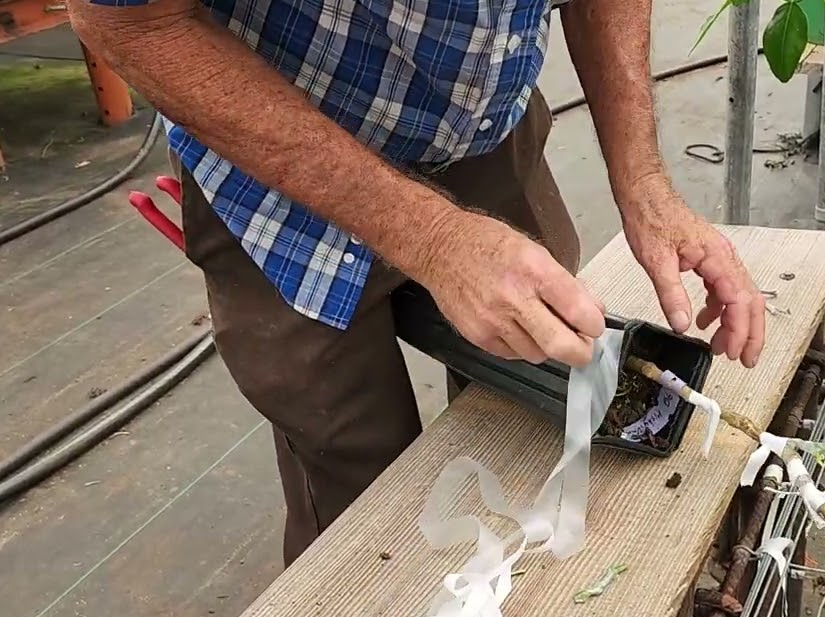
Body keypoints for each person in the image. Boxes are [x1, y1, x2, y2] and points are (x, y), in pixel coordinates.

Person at [69, 0, 767, 564]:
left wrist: (644, 182)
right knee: (357, 474)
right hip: (275, 140)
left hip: (479, 120)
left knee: (541, 375)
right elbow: (128, 21)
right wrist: (434, 238)